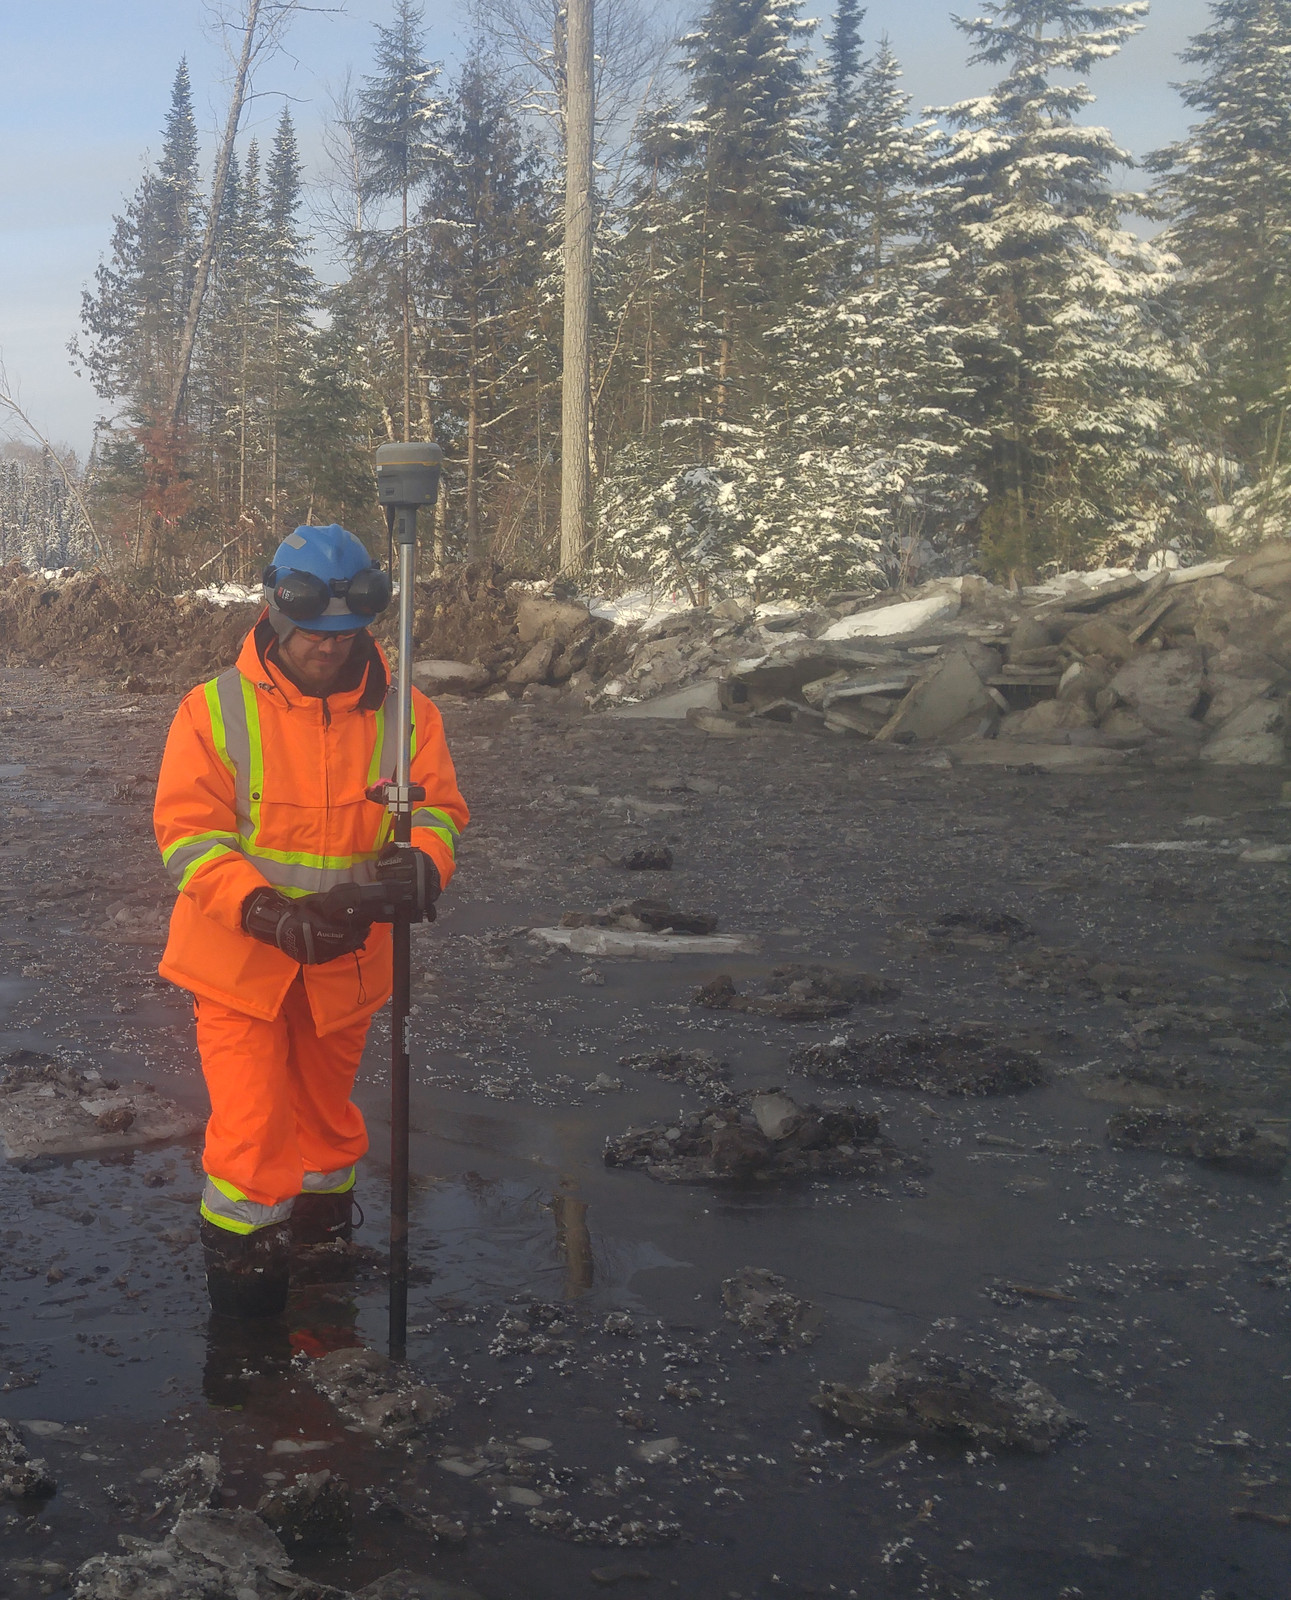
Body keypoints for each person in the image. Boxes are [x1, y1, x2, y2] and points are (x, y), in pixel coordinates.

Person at [153, 524, 468, 1319]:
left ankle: (323, 1286)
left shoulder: (407, 713)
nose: (327, 650)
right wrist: (261, 909)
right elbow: (187, 836)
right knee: (253, 1136)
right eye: (311, 635)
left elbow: (438, 811)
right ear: (275, 614)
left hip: (348, 962)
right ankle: (247, 1325)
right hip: (238, 964)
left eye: (345, 634)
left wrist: (424, 862)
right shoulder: (212, 711)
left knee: (328, 1131)